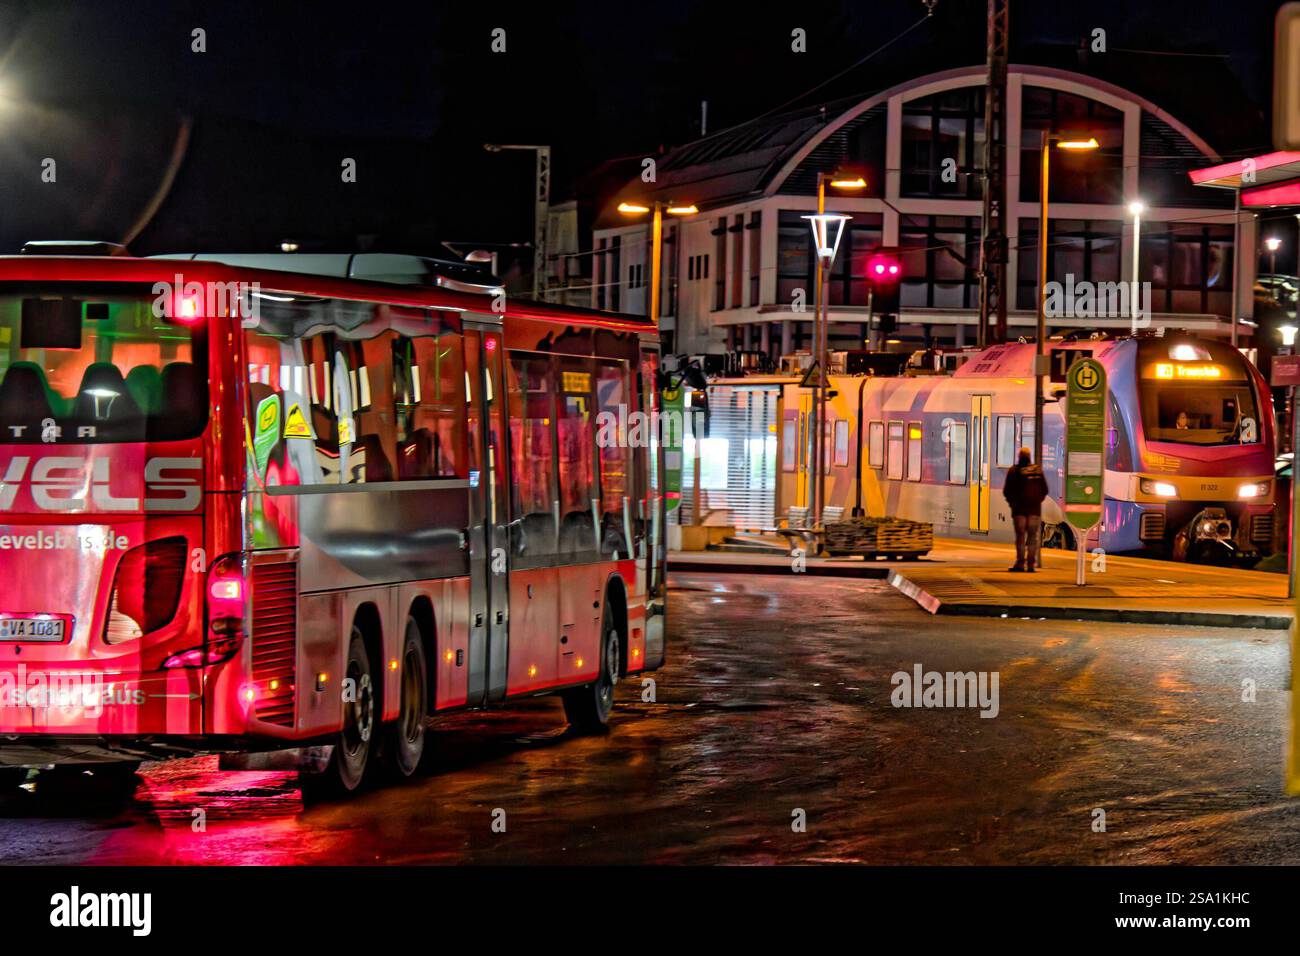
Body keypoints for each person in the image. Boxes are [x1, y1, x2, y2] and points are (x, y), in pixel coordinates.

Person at [1003, 446, 1050, 572]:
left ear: (1019, 457)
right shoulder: (1037, 471)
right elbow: (1045, 490)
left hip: (1019, 511)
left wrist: (1012, 504)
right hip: (1034, 511)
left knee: (1020, 538)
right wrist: (1036, 502)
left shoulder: (1013, 471)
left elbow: (1007, 491)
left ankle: (1020, 564)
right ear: (1030, 457)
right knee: (1032, 538)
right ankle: (1030, 565)